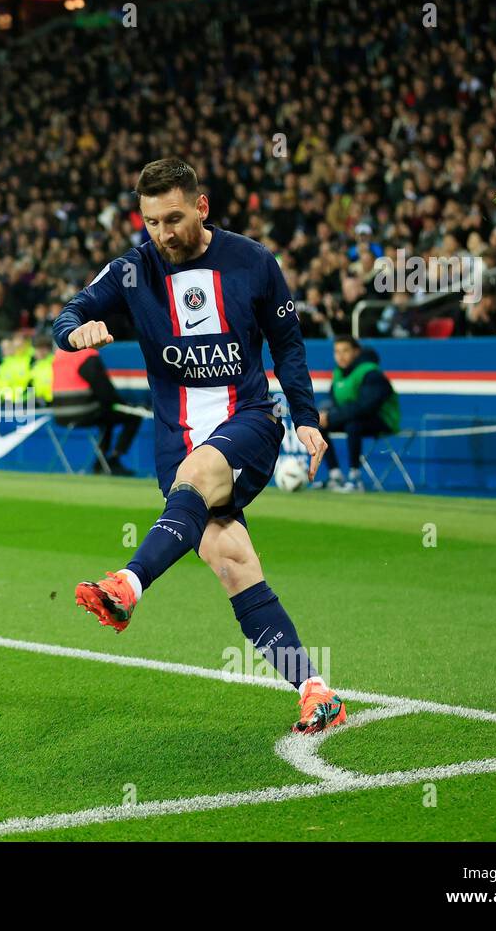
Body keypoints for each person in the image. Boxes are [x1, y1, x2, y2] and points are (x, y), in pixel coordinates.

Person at [53, 158, 345, 734]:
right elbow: (68, 314)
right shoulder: (132, 272)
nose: (163, 233)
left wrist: (306, 418)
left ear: (202, 206)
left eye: (174, 218)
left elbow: (287, 344)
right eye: (152, 222)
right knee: (234, 564)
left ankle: (128, 585)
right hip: (175, 441)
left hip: (249, 420)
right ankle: (315, 688)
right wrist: (75, 333)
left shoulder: (254, 262)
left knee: (199, 472)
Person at [317, 335, 400, 492]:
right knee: (318, 424)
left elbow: (365, 407)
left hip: (382, 419)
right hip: (354, 417)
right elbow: (335, 402)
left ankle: (355, 477)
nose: (340, 356)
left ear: (356, 352)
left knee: (352, 424)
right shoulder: (338, 375)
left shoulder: (371, 374)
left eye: (345, 351)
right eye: (337, 352)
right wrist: (325, 415)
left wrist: (332, 417)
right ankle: (335, 476)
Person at [49, 341, 141, 476]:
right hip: (83, 412)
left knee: (106, 418)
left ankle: (100, 463)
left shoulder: (59, 355)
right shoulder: (86, 356)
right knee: (132, 417)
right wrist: (125, 406)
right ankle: (113, 459)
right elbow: (105, 392)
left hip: (58, 416)